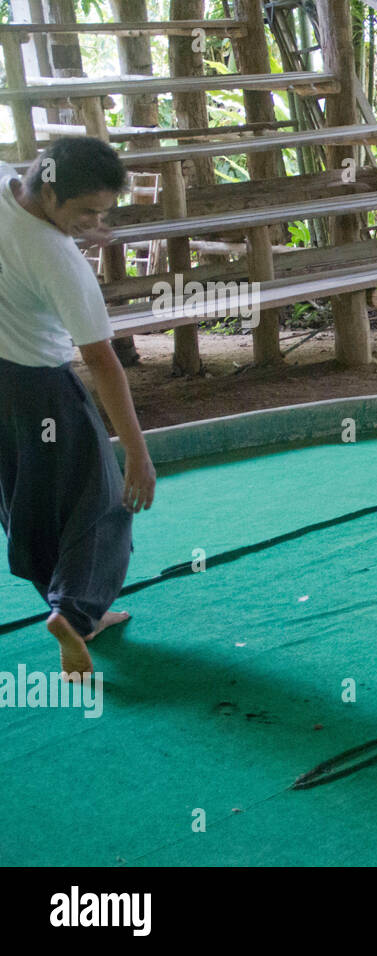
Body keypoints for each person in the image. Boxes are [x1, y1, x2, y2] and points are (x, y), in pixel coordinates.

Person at [0, 136, 155, 679]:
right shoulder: (57, 258)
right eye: (86, 211)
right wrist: (136, 452)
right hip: (40, 389)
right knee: (103, 502)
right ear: (50, 191)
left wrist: (77, 222)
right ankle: (75, 612)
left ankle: (67, 606)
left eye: (102, 212)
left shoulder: (6, 184)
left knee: (30, 502)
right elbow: (102, 359)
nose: (93, 222)